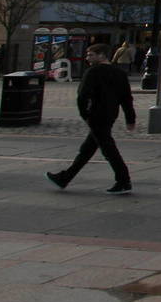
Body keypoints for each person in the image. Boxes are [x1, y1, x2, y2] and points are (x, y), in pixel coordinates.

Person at [46, 43, 136, 194]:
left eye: (91, 55)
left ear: (101, 55)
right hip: (110, 114)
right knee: (87, 150)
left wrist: (85, 115)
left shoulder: (93, 72)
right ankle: (65, 178)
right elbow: (126, 98)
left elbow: (82, 96)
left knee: (108, 149)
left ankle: (123, 180)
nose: (87, 58)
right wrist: (130, 118)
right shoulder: (119, 73)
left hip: (96, 115)